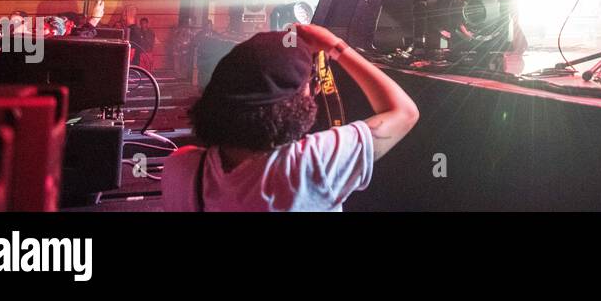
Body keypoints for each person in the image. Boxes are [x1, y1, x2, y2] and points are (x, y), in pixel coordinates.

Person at [161, 24, 419, 211]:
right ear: (293, 104)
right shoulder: (309, 165)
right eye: (310, 83)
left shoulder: (181, 168)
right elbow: (404, 112)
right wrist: (334, 45)